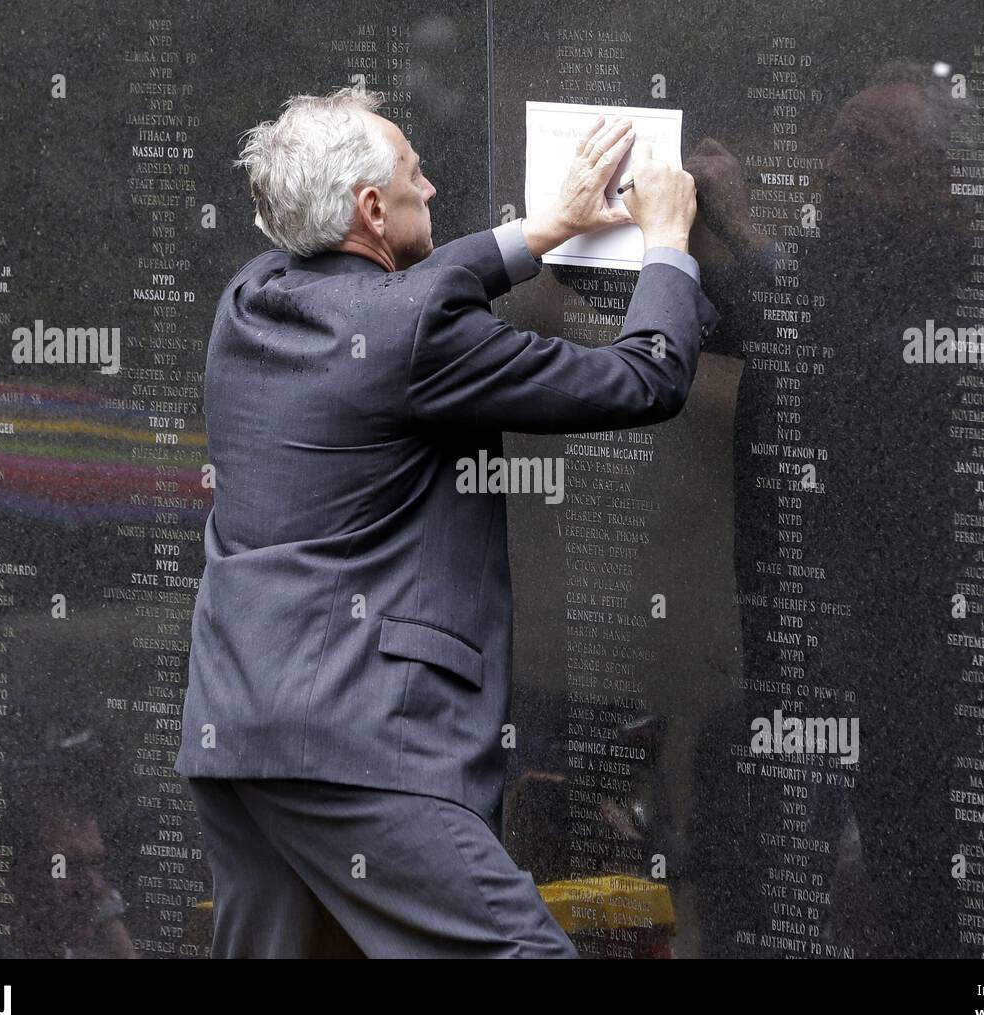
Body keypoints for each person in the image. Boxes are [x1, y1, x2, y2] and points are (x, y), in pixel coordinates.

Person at [173, 86, 717, 958]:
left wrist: (544, 230)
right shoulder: (417, 332)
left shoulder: (251, 298)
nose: (433, 189)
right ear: (370, 206)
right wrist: (668, 242)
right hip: (362, 747)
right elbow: (644, 378)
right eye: (416, 175)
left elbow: (412, 292)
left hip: (236, 739)